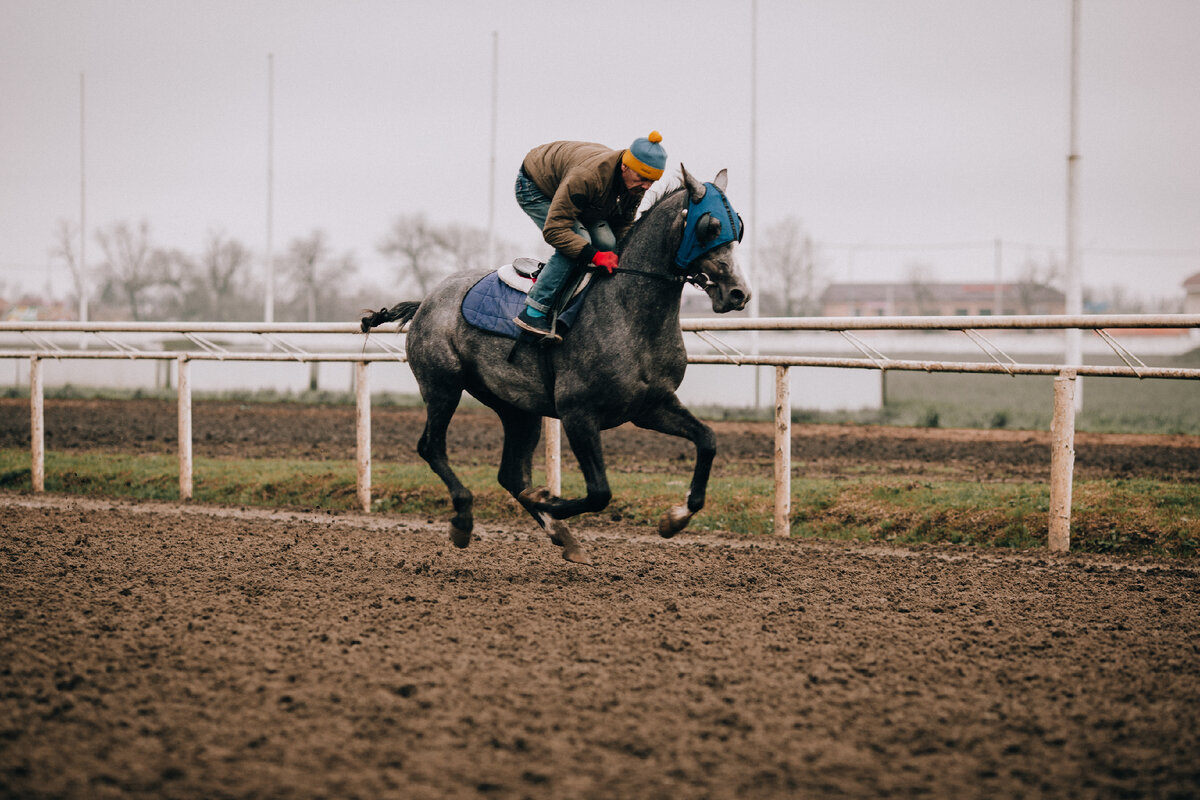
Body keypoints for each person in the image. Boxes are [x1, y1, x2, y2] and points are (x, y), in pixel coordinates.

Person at [512, 131, 668, 342]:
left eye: (652, 181)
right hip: (536, 186)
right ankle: (534, 311)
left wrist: (614, 253)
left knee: (607, 243)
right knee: (579, 241)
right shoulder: (587, 176)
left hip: (580, 193)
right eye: (643, 178)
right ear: (625, 166)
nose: (647, 187)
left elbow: (623, 224)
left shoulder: (635, 183)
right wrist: (593, 256)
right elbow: (555, 230)